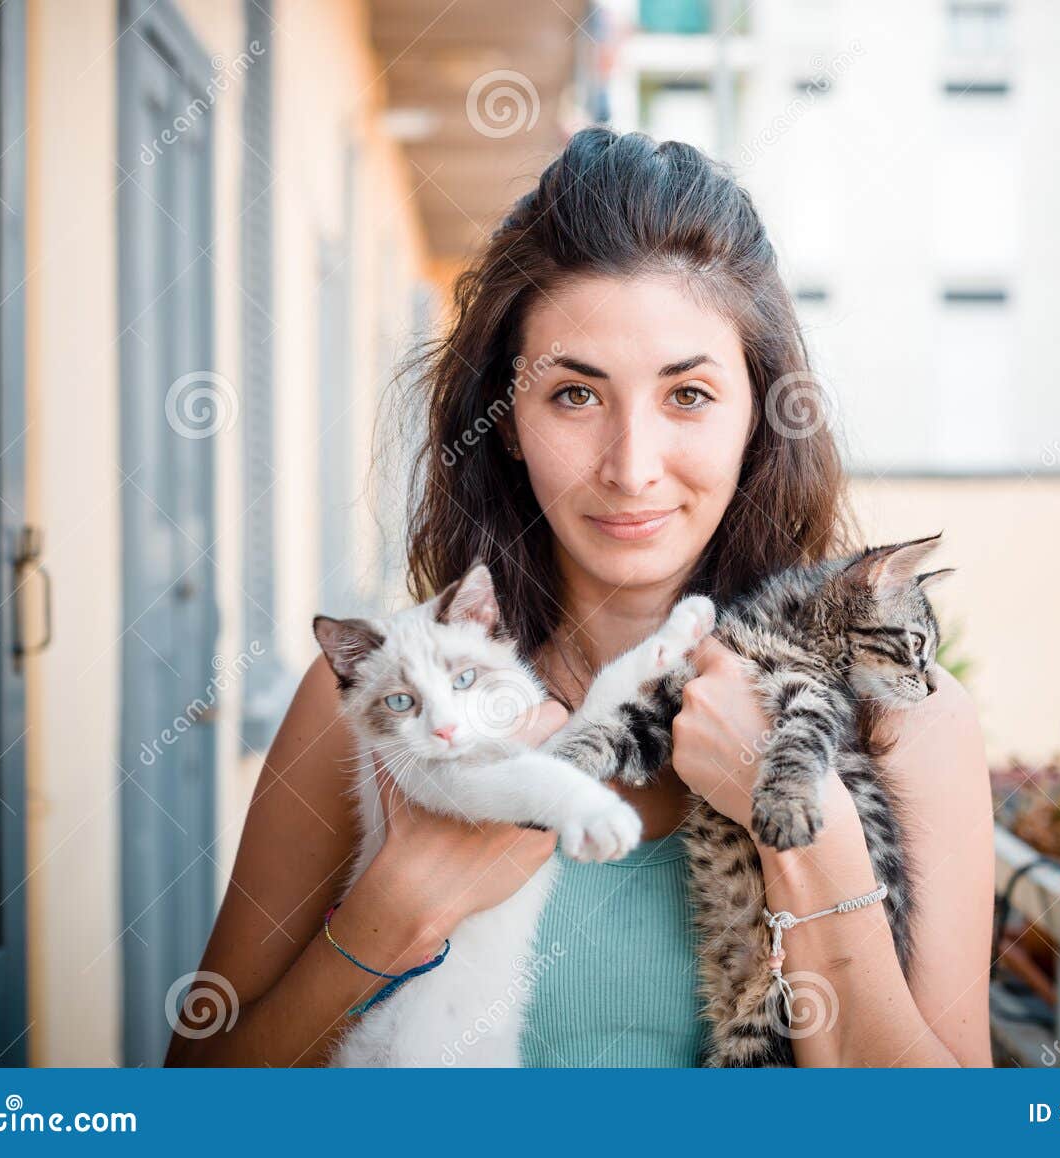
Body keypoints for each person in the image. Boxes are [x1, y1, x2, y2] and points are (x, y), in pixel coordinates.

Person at [165, 127, 993, 1068]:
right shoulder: (368, 711)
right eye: (573, 395)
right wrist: (388, 921)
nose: (632, 469)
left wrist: (806, 822)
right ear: (507, 422)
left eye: (687, 397)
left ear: (758, 418)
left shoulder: (906, 725)